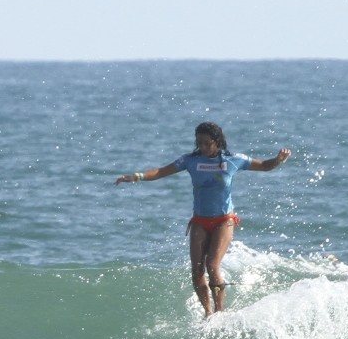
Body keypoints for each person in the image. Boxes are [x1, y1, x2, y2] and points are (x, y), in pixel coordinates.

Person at [115, 121, 291, 315]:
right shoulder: (190, 161)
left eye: (207, 143)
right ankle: (208, 312)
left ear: (217, 142)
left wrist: (279, 159)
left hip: (224, 220)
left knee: (212, 265)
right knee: (197, 271)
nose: (203, 147)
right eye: (199, 143)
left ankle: (220, 311)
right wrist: (136, 176)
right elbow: (161, 172)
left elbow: (265, 166)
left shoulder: (233, 159)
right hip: (200, 221)